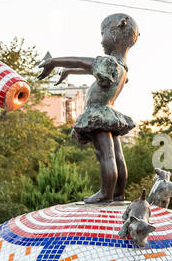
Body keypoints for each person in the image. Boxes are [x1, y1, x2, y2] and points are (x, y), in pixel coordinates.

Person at [37, 13, 139, 204]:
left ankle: (106, 193)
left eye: (104, 33)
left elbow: (83, 62)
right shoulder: (121, 67)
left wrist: (54, 61)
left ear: (115, 33)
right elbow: (87, 67)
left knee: (105, 154)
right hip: (110, 114)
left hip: (99, 113)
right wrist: (67, 71)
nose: (101, 40)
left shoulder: (108, 63)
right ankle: (118, 193)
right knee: (117, 155)